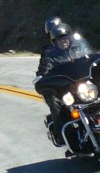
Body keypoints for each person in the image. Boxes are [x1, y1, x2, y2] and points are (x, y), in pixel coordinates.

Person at [36, 17, 92, 146]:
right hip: (64, 86)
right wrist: (43, 77)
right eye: (58, 38)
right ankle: (64, 135)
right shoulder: (49, 53)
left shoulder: (78, 46)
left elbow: (90, 55)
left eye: (64, 36)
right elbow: (44, 70)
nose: (63, 40)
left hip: (82, 81)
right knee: (56, 102)